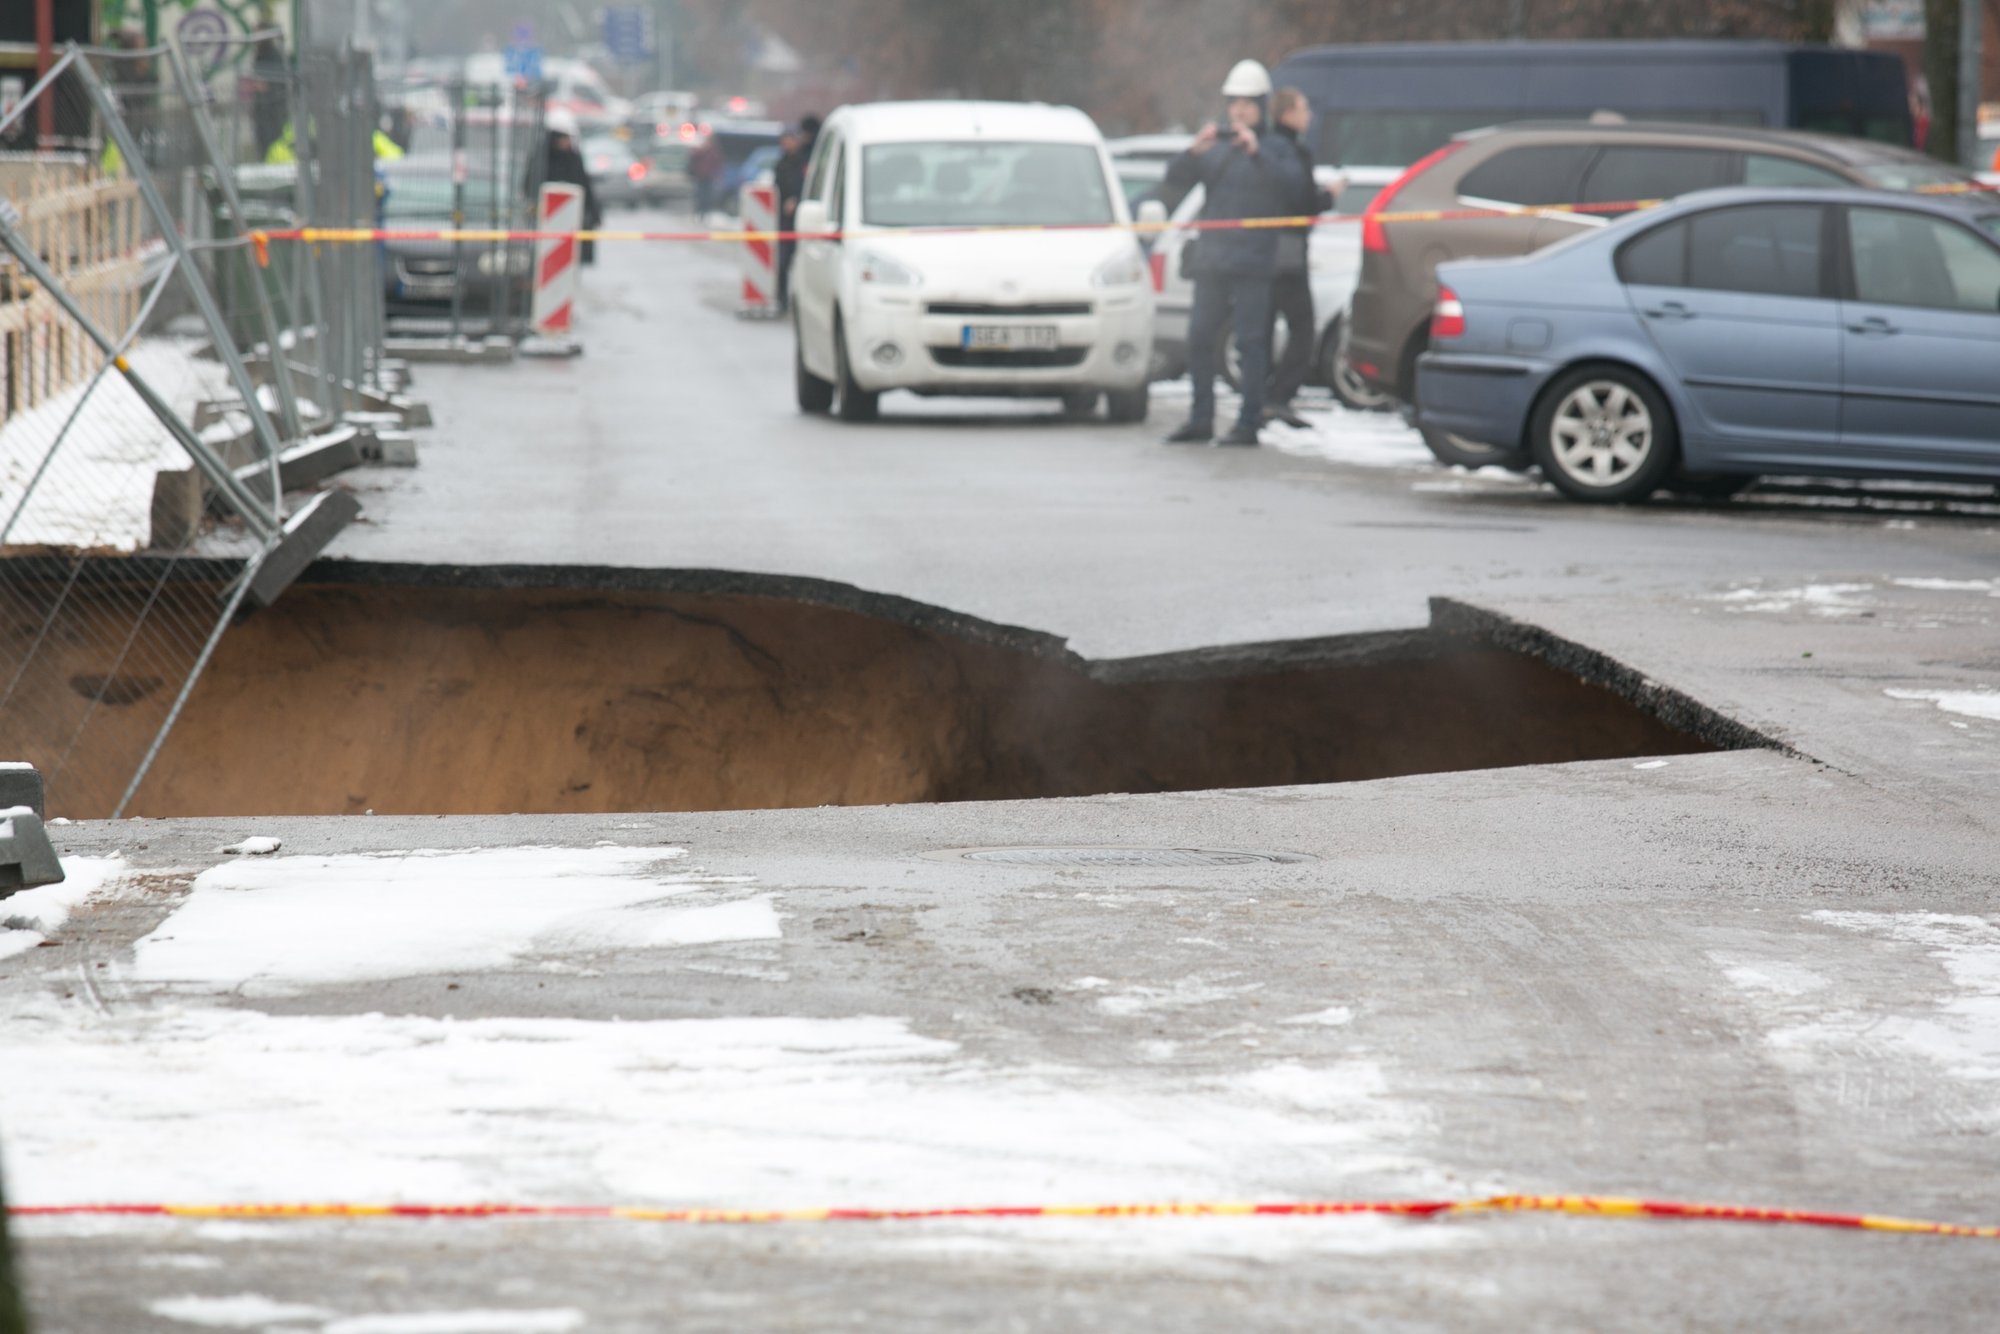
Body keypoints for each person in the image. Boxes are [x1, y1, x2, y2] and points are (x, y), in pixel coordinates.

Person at [1161, 59, 1308, 447]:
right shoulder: (1216, 148)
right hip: (1212, 261)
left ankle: (1248, 423)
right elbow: (1173, 181)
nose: (1239, 111)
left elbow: (1296, 192)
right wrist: (1194, 151)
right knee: (1199, 339)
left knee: (1250, 343)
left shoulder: (1276, 146)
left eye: (1247, 103)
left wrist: (1258, 152)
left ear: (1261, 105)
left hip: (1254, 263)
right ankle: (1200, 418)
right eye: (1233, 103)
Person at [1264, 86, 1334, 429]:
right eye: (1304, 109)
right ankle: (1277, 398)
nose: (1309, 116)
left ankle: (1263, 398)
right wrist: (1328, 197)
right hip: (1287, 254)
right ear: (1287, 114)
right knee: (1303, 328)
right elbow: (1300, 201)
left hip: (1265, 251)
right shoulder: (1291, 151)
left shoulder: (1264, 146)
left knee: (1261, 327)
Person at [540, 110, 601, 265]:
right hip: (547, 221)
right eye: (564, 138)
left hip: (573, 219)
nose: (566, 142)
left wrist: (594, 213)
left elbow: (585, 185)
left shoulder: (574, 158)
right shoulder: (542, 159)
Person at [773, 114, 820, 312]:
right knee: (782, 262)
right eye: (784, 141)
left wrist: (797, 200)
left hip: (804, 220)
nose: (786, 144)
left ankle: (803, 301)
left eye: (789, 140)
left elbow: (810, 188)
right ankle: (782, 299)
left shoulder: (805, 161)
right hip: (784, 221)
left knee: (803, 264)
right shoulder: (781, 164)